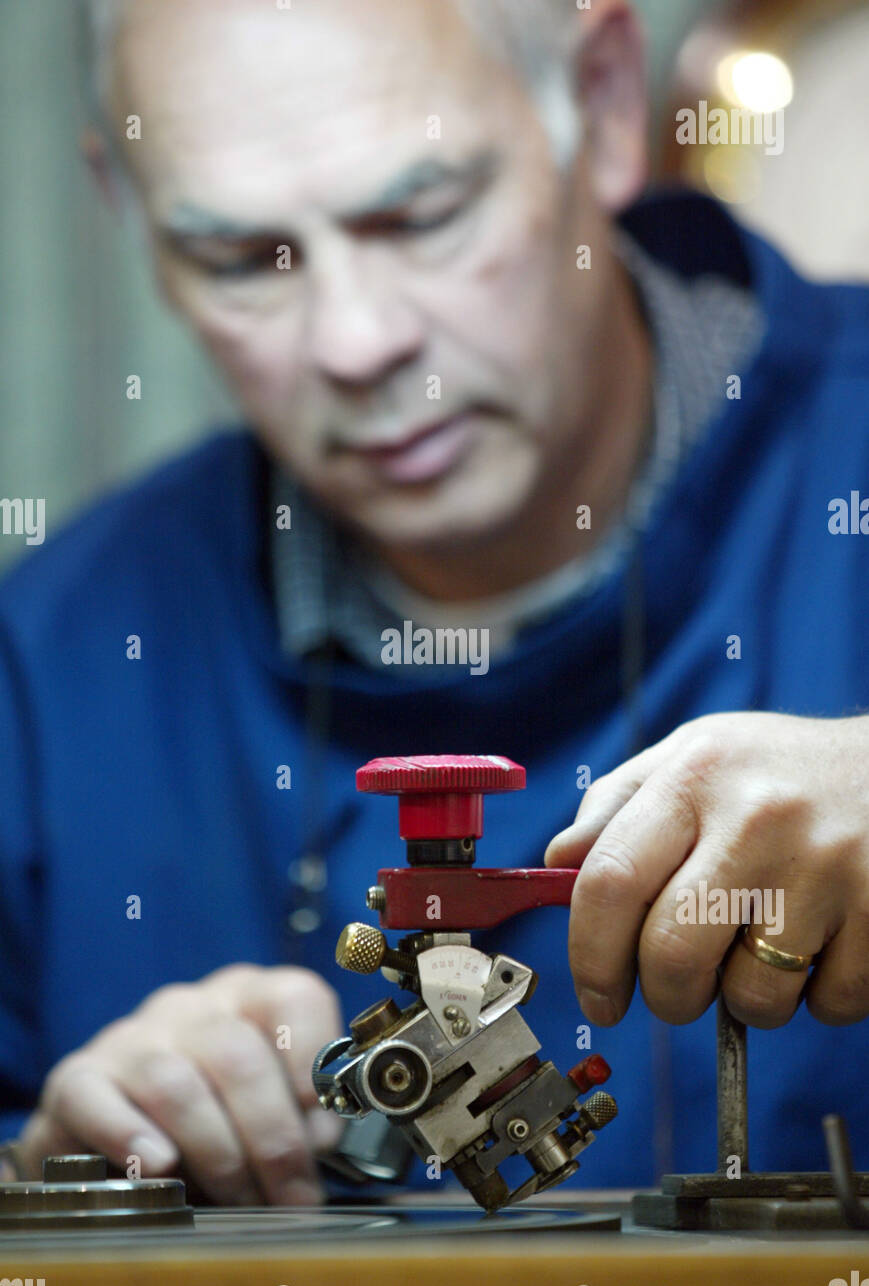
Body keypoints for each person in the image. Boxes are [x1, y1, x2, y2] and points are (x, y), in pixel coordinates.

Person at [1, 0, 868, 1205]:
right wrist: (63, 1184)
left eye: (422, 215)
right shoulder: (47, 666)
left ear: (608, 102)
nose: (356, 341)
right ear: (129, 212)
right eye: (242, 260)